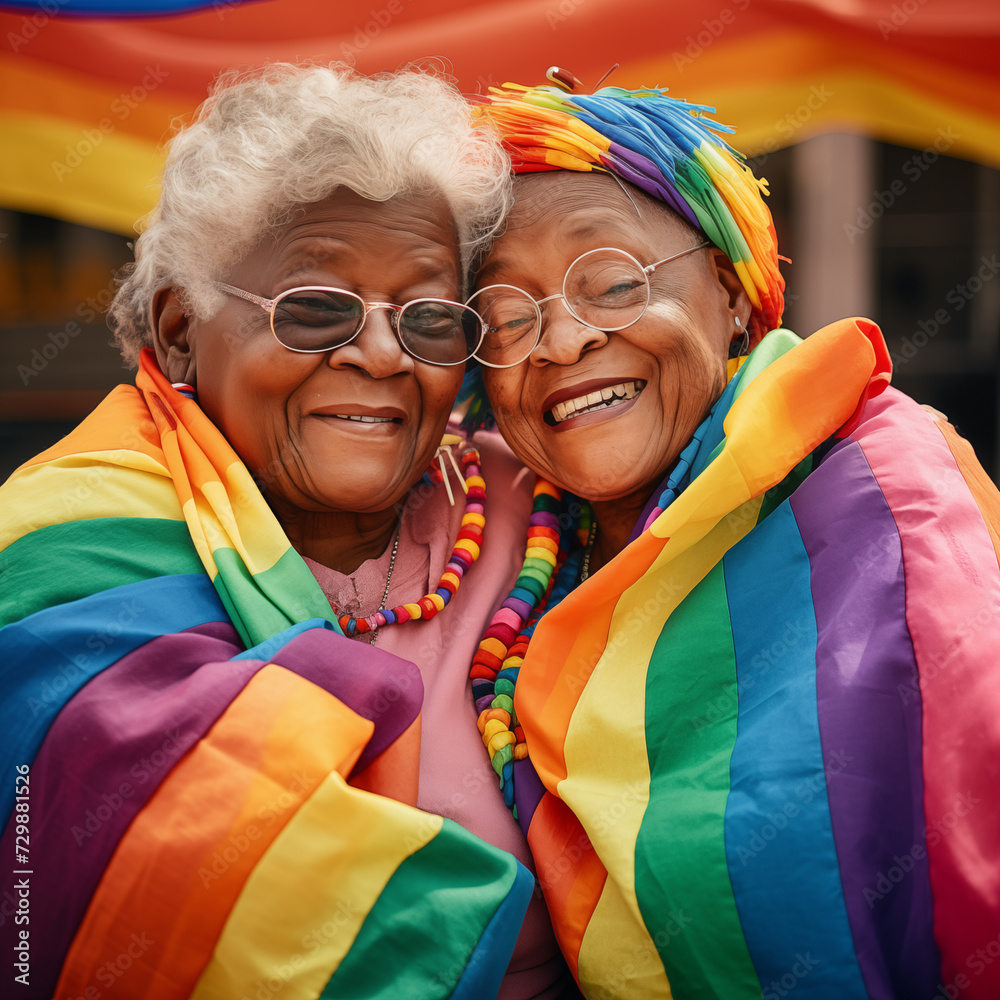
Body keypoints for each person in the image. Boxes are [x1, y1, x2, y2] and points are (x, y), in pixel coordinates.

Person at [0, 63, 575, 1000]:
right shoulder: (73, 539)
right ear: (181, 329)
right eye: (316, 309)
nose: (384, 353)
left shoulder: (544, 510)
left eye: (428, 318)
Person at [462, 73, 1000, 1000]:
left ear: (726, 287)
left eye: (614, 283)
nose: (562, 342)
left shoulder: (881, 481)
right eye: (507, 321)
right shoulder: (503, 537)